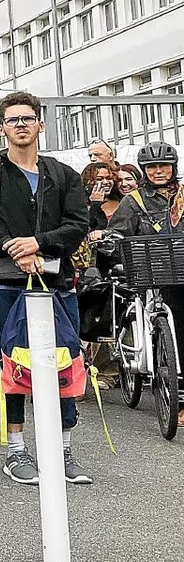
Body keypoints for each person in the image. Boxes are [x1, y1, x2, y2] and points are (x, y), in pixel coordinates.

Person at [0, 91, 91, 486]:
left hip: (58, 284)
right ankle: (16, 450)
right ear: (1, 128)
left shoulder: (64, 175)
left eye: (28, 118)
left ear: (40, 124)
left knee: (65, 362)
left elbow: (78, 225)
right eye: (12, 119)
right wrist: (13, 247)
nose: (20, 125)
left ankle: (64, 447)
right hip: (8, 284)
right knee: (10, 364)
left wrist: (39, 243)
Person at [108, 142, 184, 427]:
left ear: (173, 167)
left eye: (164, 165)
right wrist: (108, 241)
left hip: (182, 268)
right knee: (175, 319)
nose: (159, 171)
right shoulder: (135, 201)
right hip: (153, 274)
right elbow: (117, 231)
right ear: (145, 171)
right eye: (152, 167)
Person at [81, 162, 121, 240]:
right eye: (99, 179)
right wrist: (96, 204)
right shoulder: (81, 206)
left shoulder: (121, 200)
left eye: (109, 178)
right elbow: (96, 228)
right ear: (88, 182)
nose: (106, 182)